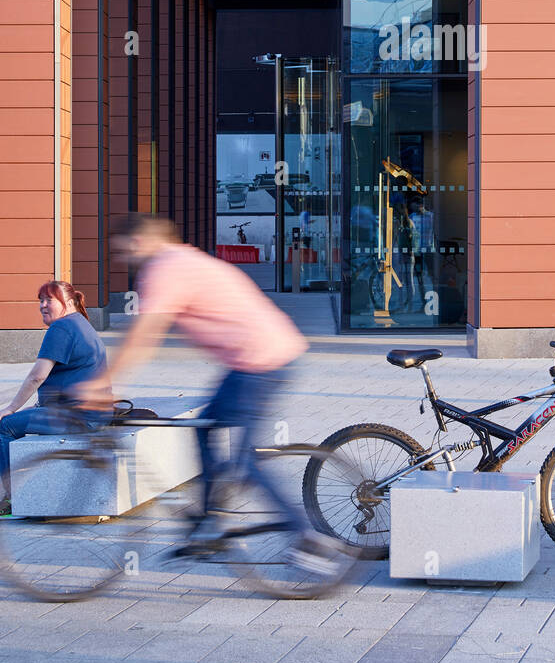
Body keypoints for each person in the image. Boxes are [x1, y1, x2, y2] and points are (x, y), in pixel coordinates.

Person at [74, 214, 338, 568]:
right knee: (204, 428)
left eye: (122, 251)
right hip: (253, 359)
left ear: (138, 243)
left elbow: (143, 336)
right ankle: (212, 521)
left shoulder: (165, 268)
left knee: (242, 461)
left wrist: (101, 384)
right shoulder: (180, 259)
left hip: (261, 361)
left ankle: (308, 539)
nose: (123, 260)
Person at [0, 281, 109, 515]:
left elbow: (36, 376)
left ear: (68, 303)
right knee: (22, 419)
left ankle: (14, 499)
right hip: (91, 414)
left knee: (4, 426)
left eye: (49, 300)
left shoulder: (61, 328)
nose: (42, 305)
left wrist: (10, 407)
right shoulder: (81, 323)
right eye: (40, 300)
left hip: (76, 417)